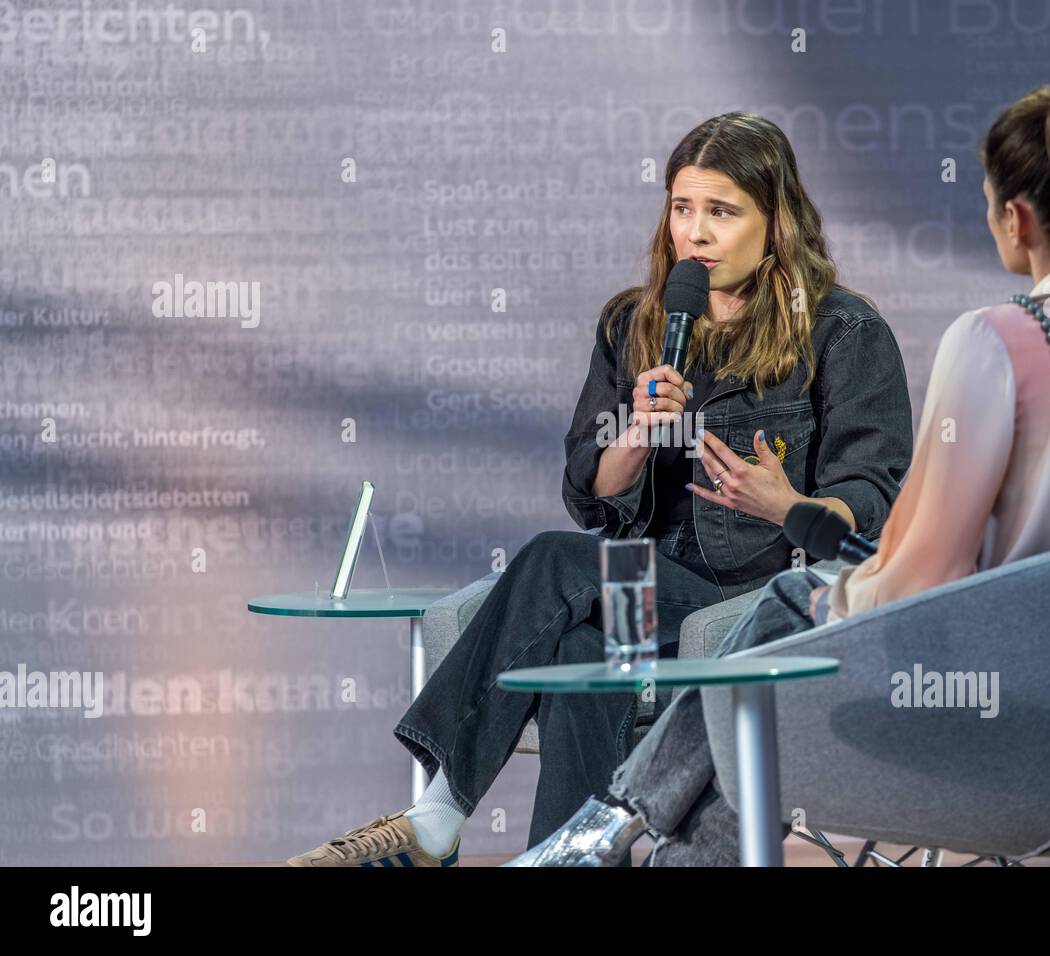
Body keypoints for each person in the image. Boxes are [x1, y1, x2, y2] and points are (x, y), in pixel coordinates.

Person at [509, 78, 1050, 866]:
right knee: (765, 652)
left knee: (780, 628)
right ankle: (615, 824)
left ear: (1017, 219)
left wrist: (820, 586)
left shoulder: (996, 341)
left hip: (1003, 720)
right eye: (684, 209)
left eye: (988, 204)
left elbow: (919, 570)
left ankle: (614, 817)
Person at [287, 112, 914, 867]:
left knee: (556, 561)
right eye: (683, 209)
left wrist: (785, 506)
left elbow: (870, 501)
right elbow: (588, 490)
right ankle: (567, 856)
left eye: (722, 211)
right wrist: (639, 432)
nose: (697, 234)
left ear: (775, 223)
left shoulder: (842, 332)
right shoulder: (635, 323)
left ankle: (437, 815)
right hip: (644, 589)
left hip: (762, 600)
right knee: (583, 651)